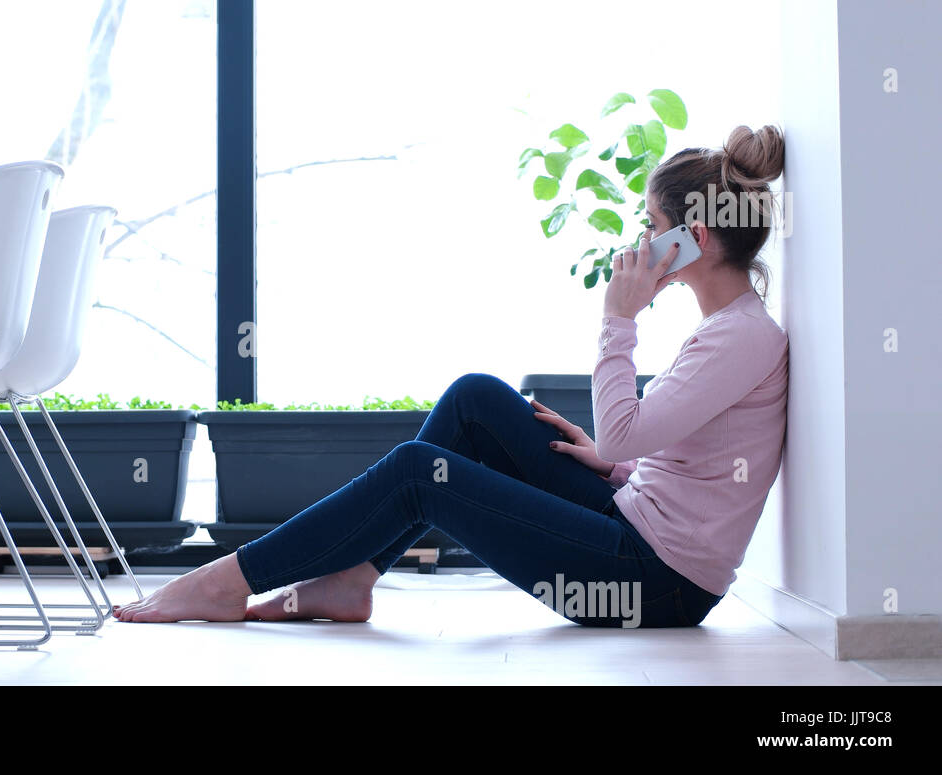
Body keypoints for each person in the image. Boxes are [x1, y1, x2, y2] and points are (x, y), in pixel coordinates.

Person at [112, 125, 789, 628]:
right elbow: (659, 456)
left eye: (653, 228)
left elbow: (624, 434)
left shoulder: (740, 338)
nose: (642, 245)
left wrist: (619, 317)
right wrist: (613, 468)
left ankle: (229, 579)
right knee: (474, 398)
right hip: (636, 523)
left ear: (693, 240)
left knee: (417, 472)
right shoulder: (731, 330)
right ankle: (354, 578)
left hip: (654, 579)